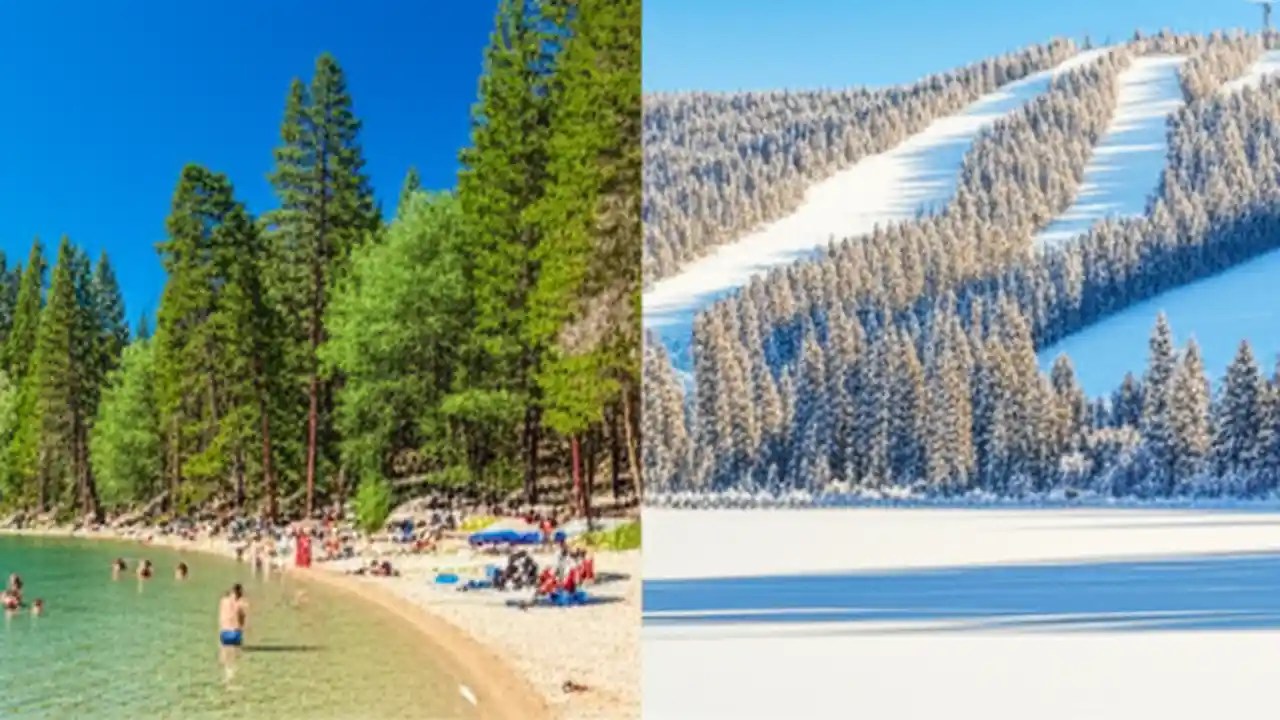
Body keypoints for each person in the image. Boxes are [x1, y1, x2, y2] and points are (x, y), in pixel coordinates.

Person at [218, 584, 248, 681]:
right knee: (236, 655)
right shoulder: (241, 604)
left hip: (224, 633)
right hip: (235, 633)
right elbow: (242, 620)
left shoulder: (223, 601)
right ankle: (234, 674)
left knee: (224, 653)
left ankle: (226, 673)